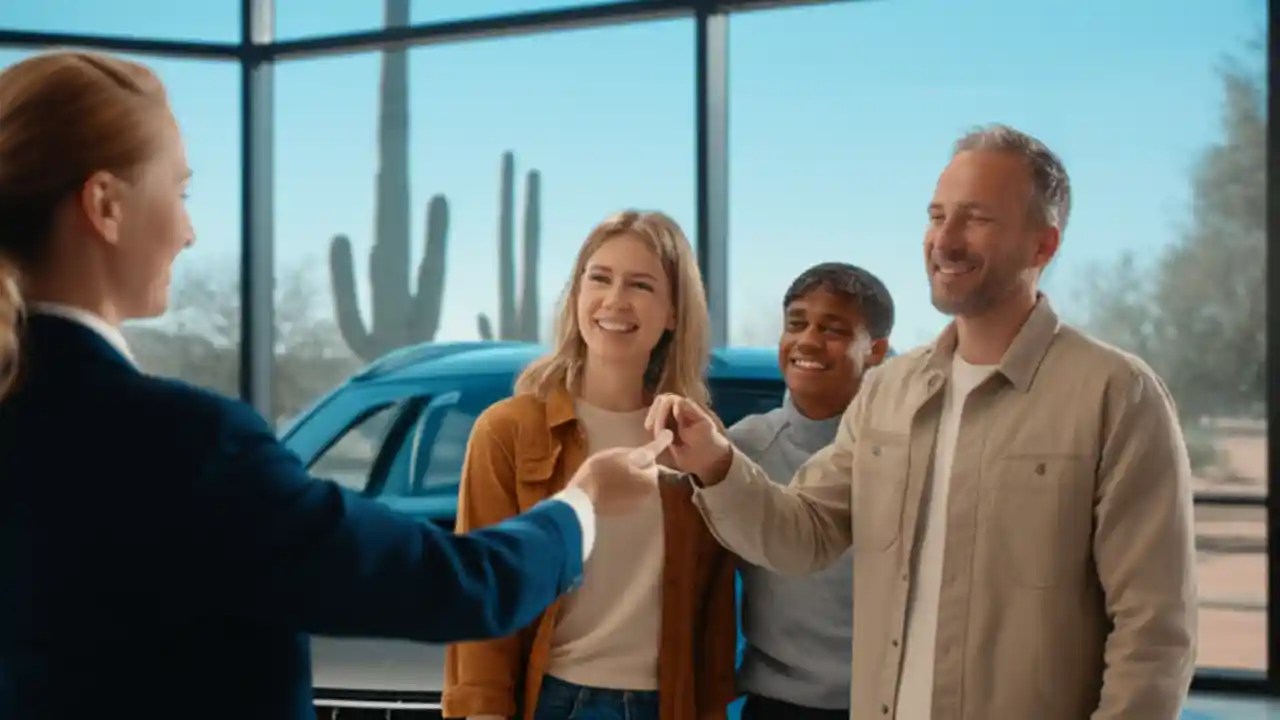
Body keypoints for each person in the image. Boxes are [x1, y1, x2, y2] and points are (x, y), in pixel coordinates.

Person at [0, 50, 664, 719]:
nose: (189, 230)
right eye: (179, 192)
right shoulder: (186, 445)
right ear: (105, 205)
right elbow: (454, 585)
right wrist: (583, 504)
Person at [639, 124, 1198, 719]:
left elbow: (1155, 632)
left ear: (1043, 245)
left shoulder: (1116, 395)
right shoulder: (888, 394)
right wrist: (714, 461)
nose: (946, 240)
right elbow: (802, 535)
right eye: (937, 216)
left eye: (977, 218)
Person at [442, 210, 737, 720]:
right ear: (577, 295)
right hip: (553, 701)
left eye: (641, 285)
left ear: (672, 313)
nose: (615, 300)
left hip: (666, 705)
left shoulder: (695, 436)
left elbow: (713, 610)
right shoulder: (509, 430)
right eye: (599, 278)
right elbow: (481, 589)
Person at [730, 262, 893, 720]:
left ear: (876, 350)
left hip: (888, 704)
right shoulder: (738, 451)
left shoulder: (909, 450)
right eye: (796, 323)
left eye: (834, 328)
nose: (807, 340)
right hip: (777, 707)